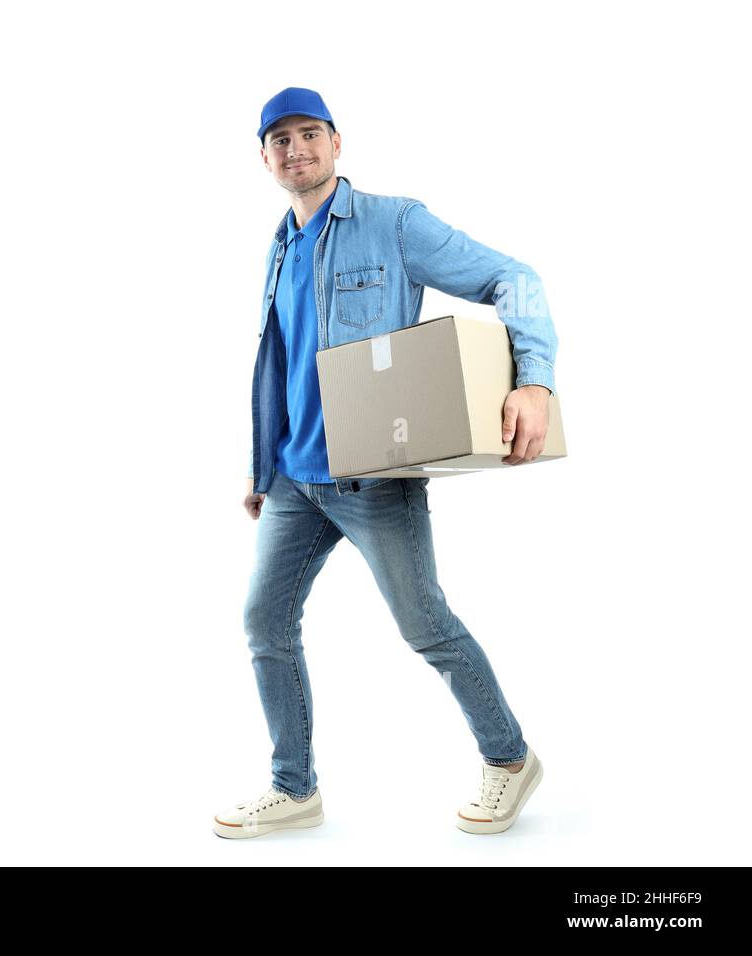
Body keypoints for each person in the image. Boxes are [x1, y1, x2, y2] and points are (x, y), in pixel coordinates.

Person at [213, 87, 553, 840]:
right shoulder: (280, 247)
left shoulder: (393, 223)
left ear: (337, 143)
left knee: (426, 628)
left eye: (309, 134)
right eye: (279, 140)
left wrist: (534, 380)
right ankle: (293, 788)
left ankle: (508, 759)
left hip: (375, 479)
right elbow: (281, 366)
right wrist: (259, 465)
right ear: (263, 158)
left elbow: (514, 277)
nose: (295, 149)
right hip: (298, 481)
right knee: (264, 621)